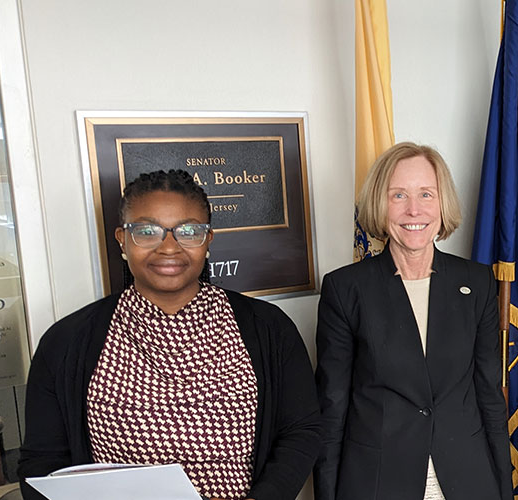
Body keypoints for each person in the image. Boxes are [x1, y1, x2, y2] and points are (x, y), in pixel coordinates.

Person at [17, 170, 322, 500]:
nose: (168, 248)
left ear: (208, 240)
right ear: (122, 239)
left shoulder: (268, 328)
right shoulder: (66, 342)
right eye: (146, 231)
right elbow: (41, 462)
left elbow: (301, 431)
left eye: (188, 231)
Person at [313, 142, 511, 500]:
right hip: (377, 482)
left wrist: (503, 490)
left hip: (467, 479)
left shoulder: (477, 282)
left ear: (442, 202)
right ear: (379, 202)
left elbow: (489, 397)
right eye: (399, 195)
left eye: (425, 194)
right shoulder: (345, 289)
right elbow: (332, 408)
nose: (414, 209)